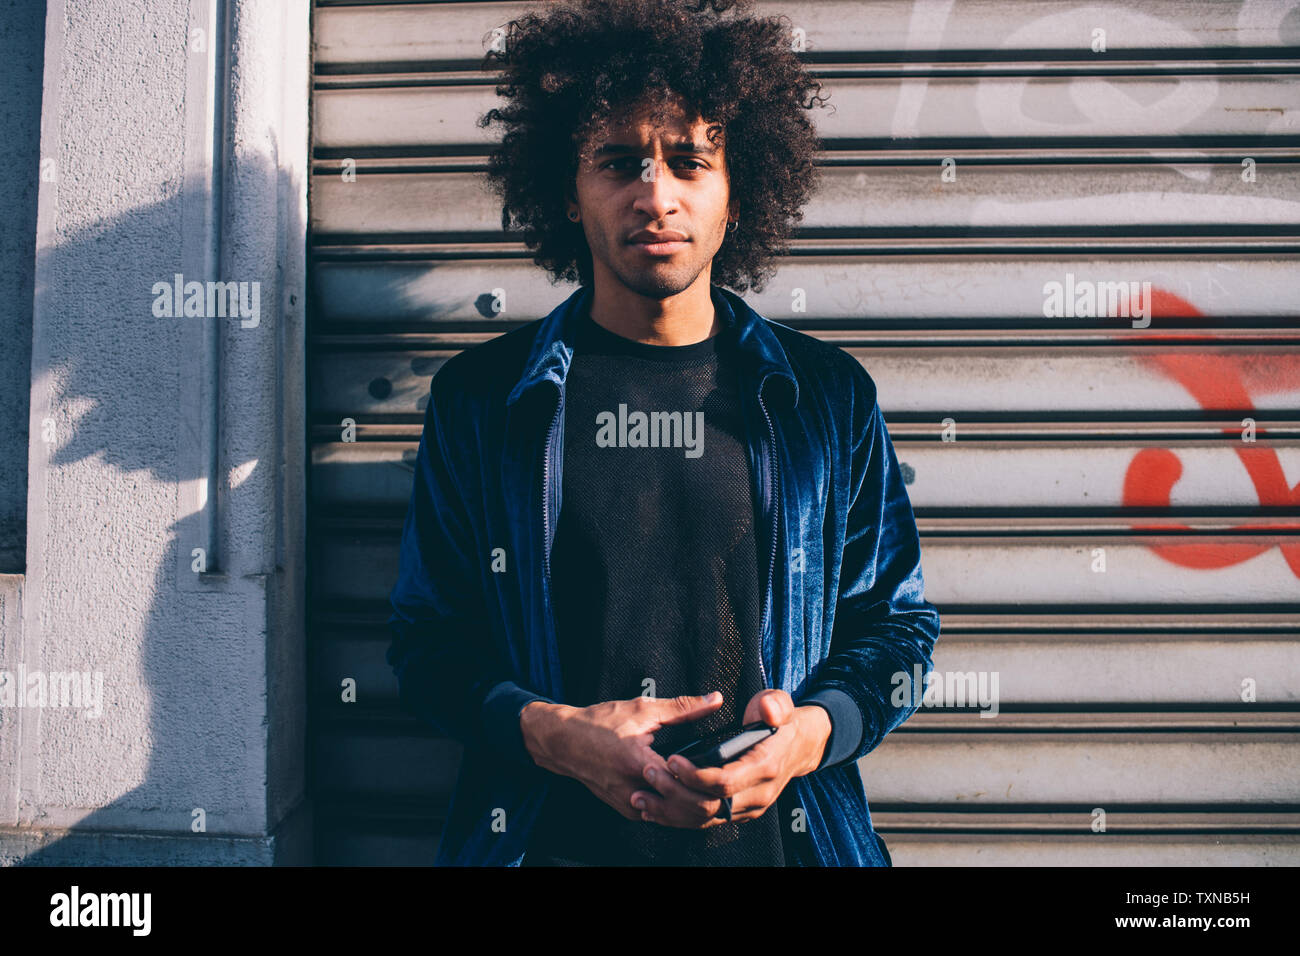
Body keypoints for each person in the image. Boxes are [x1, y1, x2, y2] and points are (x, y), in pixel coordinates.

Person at [386, 0, 940, 866]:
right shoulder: (484, 400)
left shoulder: (823, 398)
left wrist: (807, 739)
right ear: (567, 193)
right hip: (549, 846)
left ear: (735, 190)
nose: (655, 195)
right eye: (618, 163)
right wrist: (549, 734)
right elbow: (428, 643)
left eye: (690, 161)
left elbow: (896, 629)